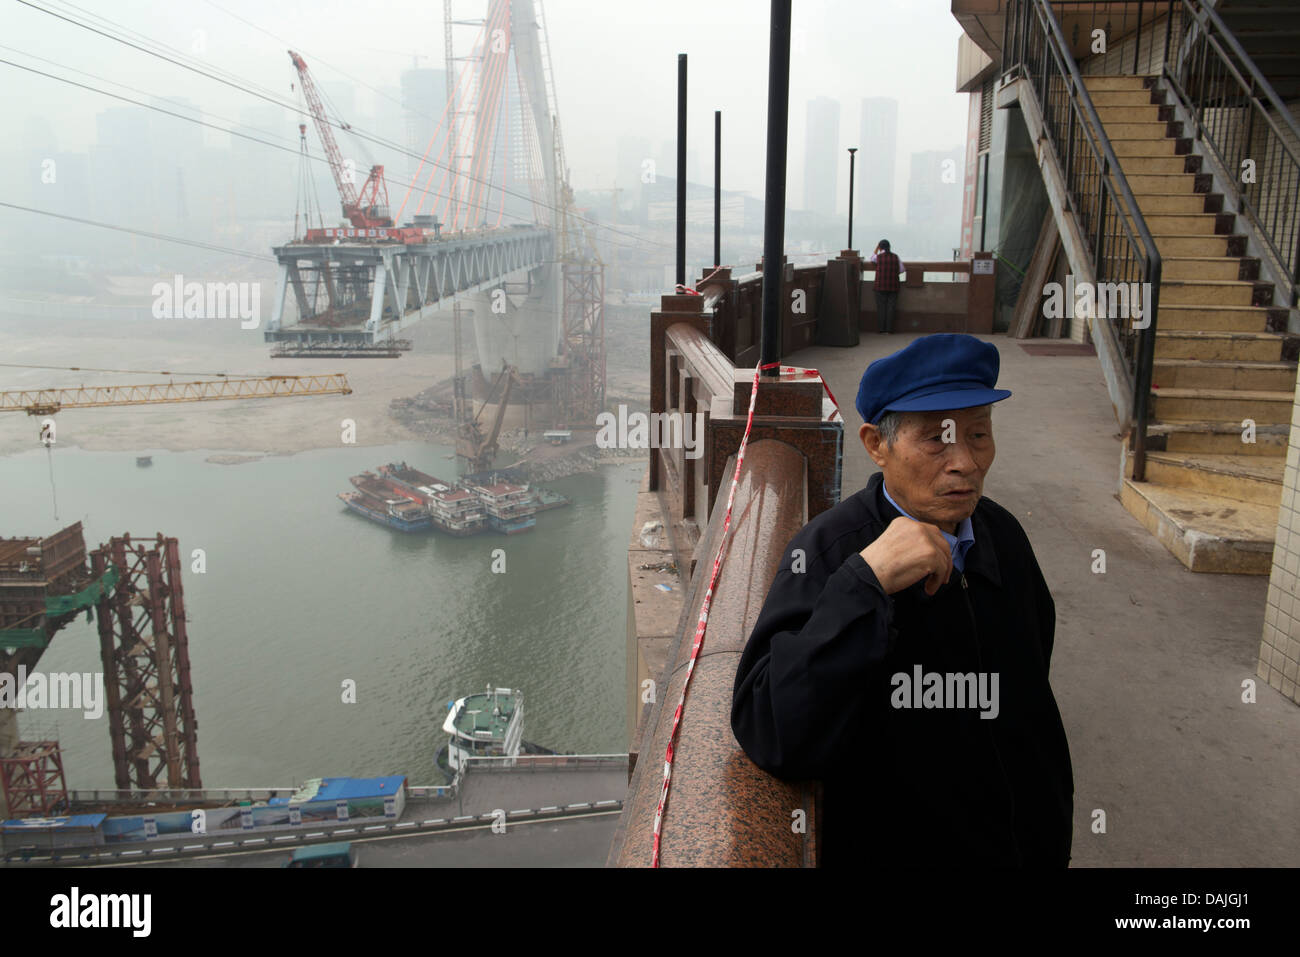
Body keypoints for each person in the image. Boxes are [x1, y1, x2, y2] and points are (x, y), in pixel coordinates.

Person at [730, 333, 1074, 868]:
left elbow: (1034, 677)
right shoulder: (830, 553)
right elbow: (770, 729)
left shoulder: (1001, 535)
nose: (964, 461)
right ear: (875, 443)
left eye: (978, 433)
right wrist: (863, 585)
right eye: (937, 439)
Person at [870, 239, 904, 333]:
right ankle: (889, 330)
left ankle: (881, 329)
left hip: (880, 286)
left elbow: (872, 257)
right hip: (893, 286)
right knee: (891, 308)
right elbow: (901, 270)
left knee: (881, 308)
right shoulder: (896, 257)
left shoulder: (878, 257)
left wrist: (876, 248)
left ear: (880, 247)